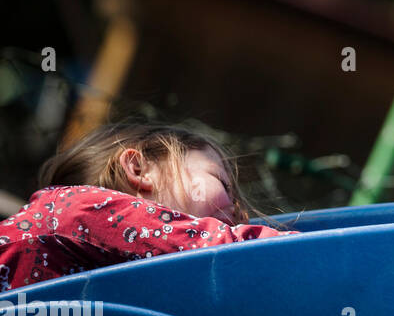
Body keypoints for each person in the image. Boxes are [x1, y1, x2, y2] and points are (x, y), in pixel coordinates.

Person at [0, 120, 298, 291]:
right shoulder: (85, 209)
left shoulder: (102, 255)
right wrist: (313, 249)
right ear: (138, 170)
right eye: (222, 182)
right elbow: (215, 246)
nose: (239, 210)